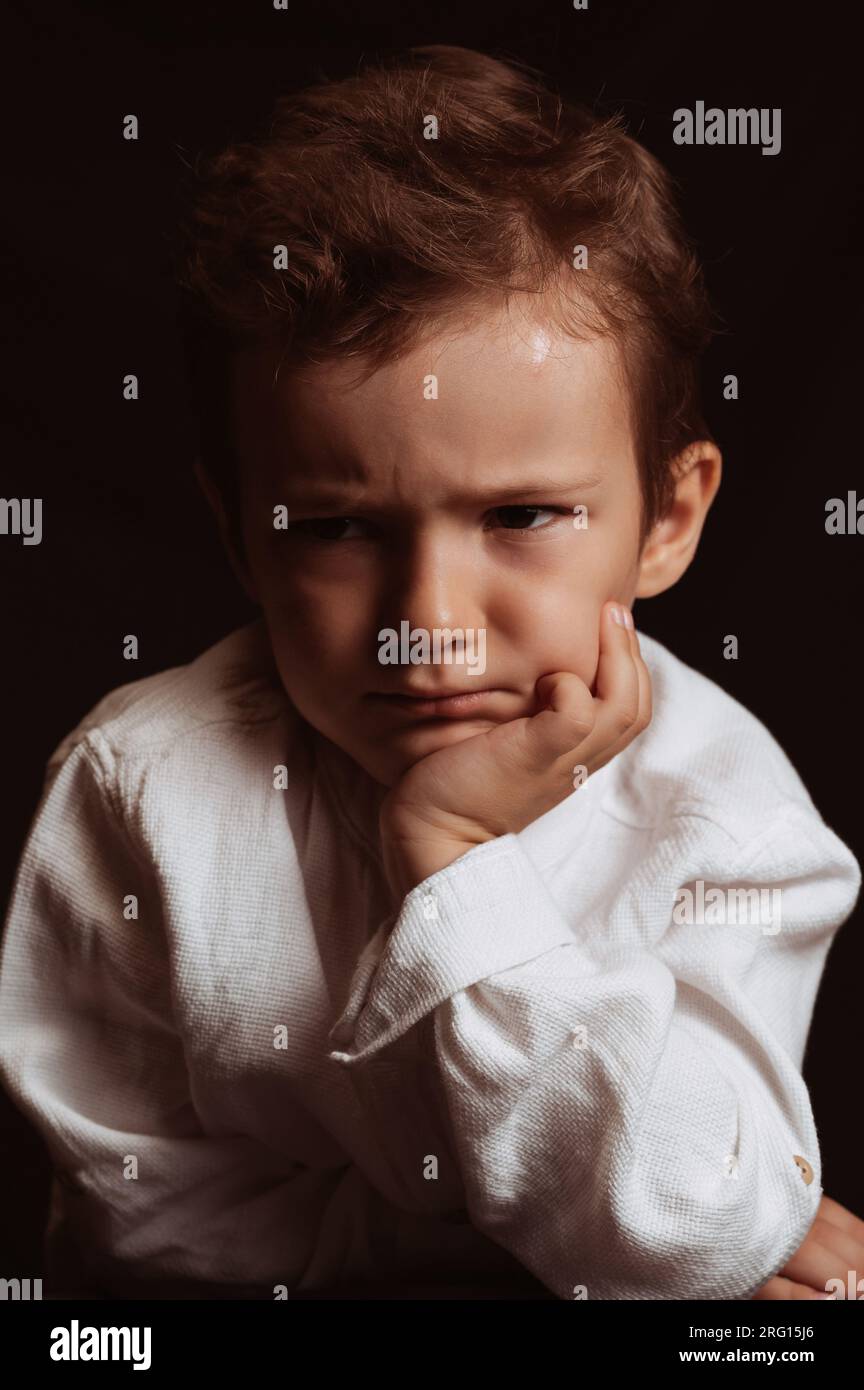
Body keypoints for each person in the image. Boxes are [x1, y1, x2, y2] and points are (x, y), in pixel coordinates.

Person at [0, 45, 860, 1301]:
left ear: (669, 519)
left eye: (521, 515)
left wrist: (457, 865)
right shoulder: (141, 785)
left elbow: (685, 1223)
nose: (430, 622)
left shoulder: (726, 813)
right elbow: (142, 1228)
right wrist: (453, 1255)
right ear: (241, 530)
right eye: (341, 528)